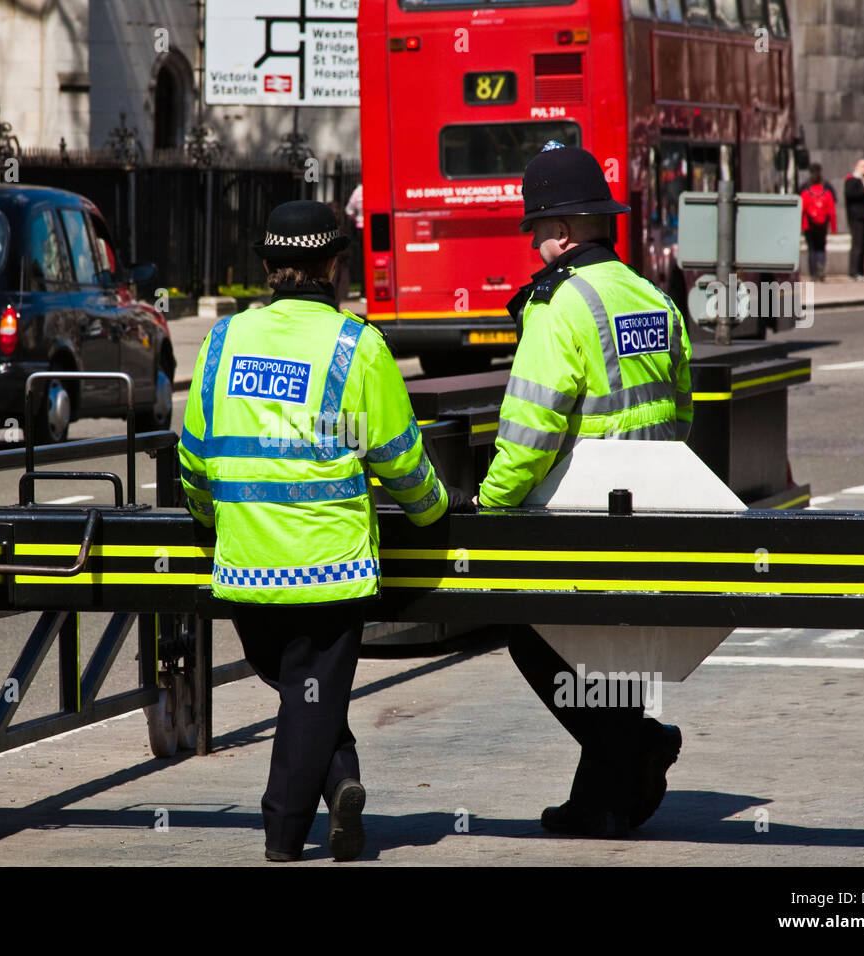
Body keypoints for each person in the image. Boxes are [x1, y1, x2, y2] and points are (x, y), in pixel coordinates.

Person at [178, 200, 472, 862]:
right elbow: (399, 458)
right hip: (327, 568)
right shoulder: (355, 346)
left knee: (303, 690)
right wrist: (435, 508)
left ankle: (342, 782)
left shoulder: (224, 341)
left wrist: (207, 520)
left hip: (246, 566)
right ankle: (283, 834)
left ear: (269, 268)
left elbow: (193, 457)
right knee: (311, 696)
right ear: (335, 267)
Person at [475, 142, 691, 839]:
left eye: (535, 228)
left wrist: (494, 504)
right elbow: (682, 408)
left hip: (583, 517)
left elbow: (530, 427)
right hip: (652, 510)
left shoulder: (559, 303)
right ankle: (602, 801)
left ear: (563, 231)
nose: (532, 242)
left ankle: (637, 749)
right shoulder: (653, 295)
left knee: (534, 640)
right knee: (603, 649)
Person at [800, 164, 838, 281]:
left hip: (808, 225)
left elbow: (801, 209)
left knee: (811, 249)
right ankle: (821, 269)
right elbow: (832, 211)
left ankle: (813, 274)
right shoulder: (827, 191)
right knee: (821, 248)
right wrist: (833, 228)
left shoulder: (805, 190)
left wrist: (801, 225)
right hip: (822, 225)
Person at [844, 158, 864, 281]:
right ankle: (854, 272)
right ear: (857, 167)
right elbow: (851, 195)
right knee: (857, 244)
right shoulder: (852, 180)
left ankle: (861, 271)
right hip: (856, 217)